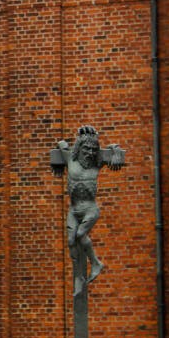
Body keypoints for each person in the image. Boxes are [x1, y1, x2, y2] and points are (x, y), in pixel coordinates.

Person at [52, 125, 124, 296]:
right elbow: (60, 143)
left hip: (90, 209)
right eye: (86, 148)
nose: (89, 153)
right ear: (79, 147)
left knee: (80, 235)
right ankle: (79, 277)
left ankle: (96, 263)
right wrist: (57, 165)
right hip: (74, 209)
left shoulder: (96, 163)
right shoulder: (70, 159)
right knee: (71, 241)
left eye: (92, 149)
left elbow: (114, 150)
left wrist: (117, 151)